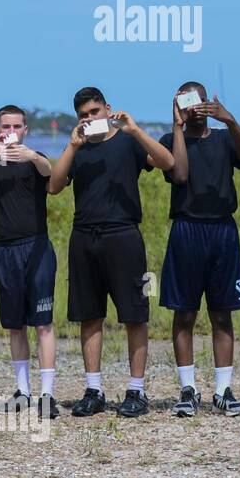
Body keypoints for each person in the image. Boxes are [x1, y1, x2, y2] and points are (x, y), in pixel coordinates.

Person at [48, 87, 174, 418]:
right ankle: (94, 389)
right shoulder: (78, 147)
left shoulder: (128, 140)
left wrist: (134, 129)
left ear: (108, 109)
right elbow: (54, 185)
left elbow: (167, 162)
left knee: (135, 313)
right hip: (84, 237)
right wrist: (72, 146)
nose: (90, 119)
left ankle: (136, 390)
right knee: (89, 315)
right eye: (83, 116)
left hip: (125, 236)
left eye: (94, 112)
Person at [158, 83, 240, 418]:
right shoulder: (170, 141)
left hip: (222, 229)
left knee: (222, 312)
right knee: (184, 312)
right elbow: (180, 173)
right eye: (183, 102)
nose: (191, 107)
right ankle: (188, 389)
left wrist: (229, 120)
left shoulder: (224, 137)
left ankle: (223, 390)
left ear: (206, 102)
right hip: (187, 229)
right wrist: (177, 127)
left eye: (196, 101)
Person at [0, 105, 59, 419]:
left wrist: (30, 155)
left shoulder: (35, 158)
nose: (12, 131)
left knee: (43, 323)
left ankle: (47, 395)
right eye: (6, 126)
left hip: (36, 246)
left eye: (17, 126)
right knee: (15, 325)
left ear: (26, 129)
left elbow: (52, 174)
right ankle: (23, 390)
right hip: (4, 250)